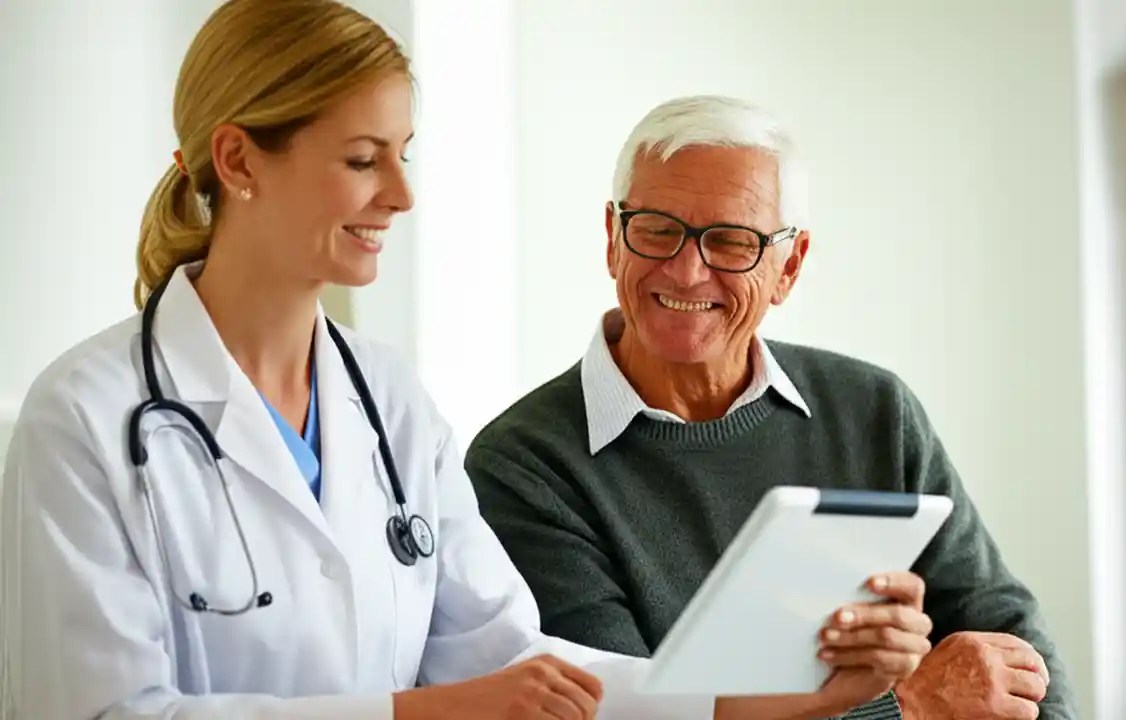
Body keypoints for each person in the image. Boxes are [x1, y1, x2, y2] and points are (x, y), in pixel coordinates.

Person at [0, 4, 933, 719]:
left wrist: (778, 697)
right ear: (239, 159)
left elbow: (513, 662)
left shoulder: (388, 400)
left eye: (404, 155)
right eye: (364, 160)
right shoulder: (86, 418)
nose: (402, 194)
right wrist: (417, 715)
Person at [465, 95, 1077, 720]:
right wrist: (907, 710)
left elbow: (1018, 653)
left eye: (731, 242)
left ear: (789, 266)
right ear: (613, 238)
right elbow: (624, 715)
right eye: (656, 229)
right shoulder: (523, 466)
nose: (685, 270)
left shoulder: (874, 412)